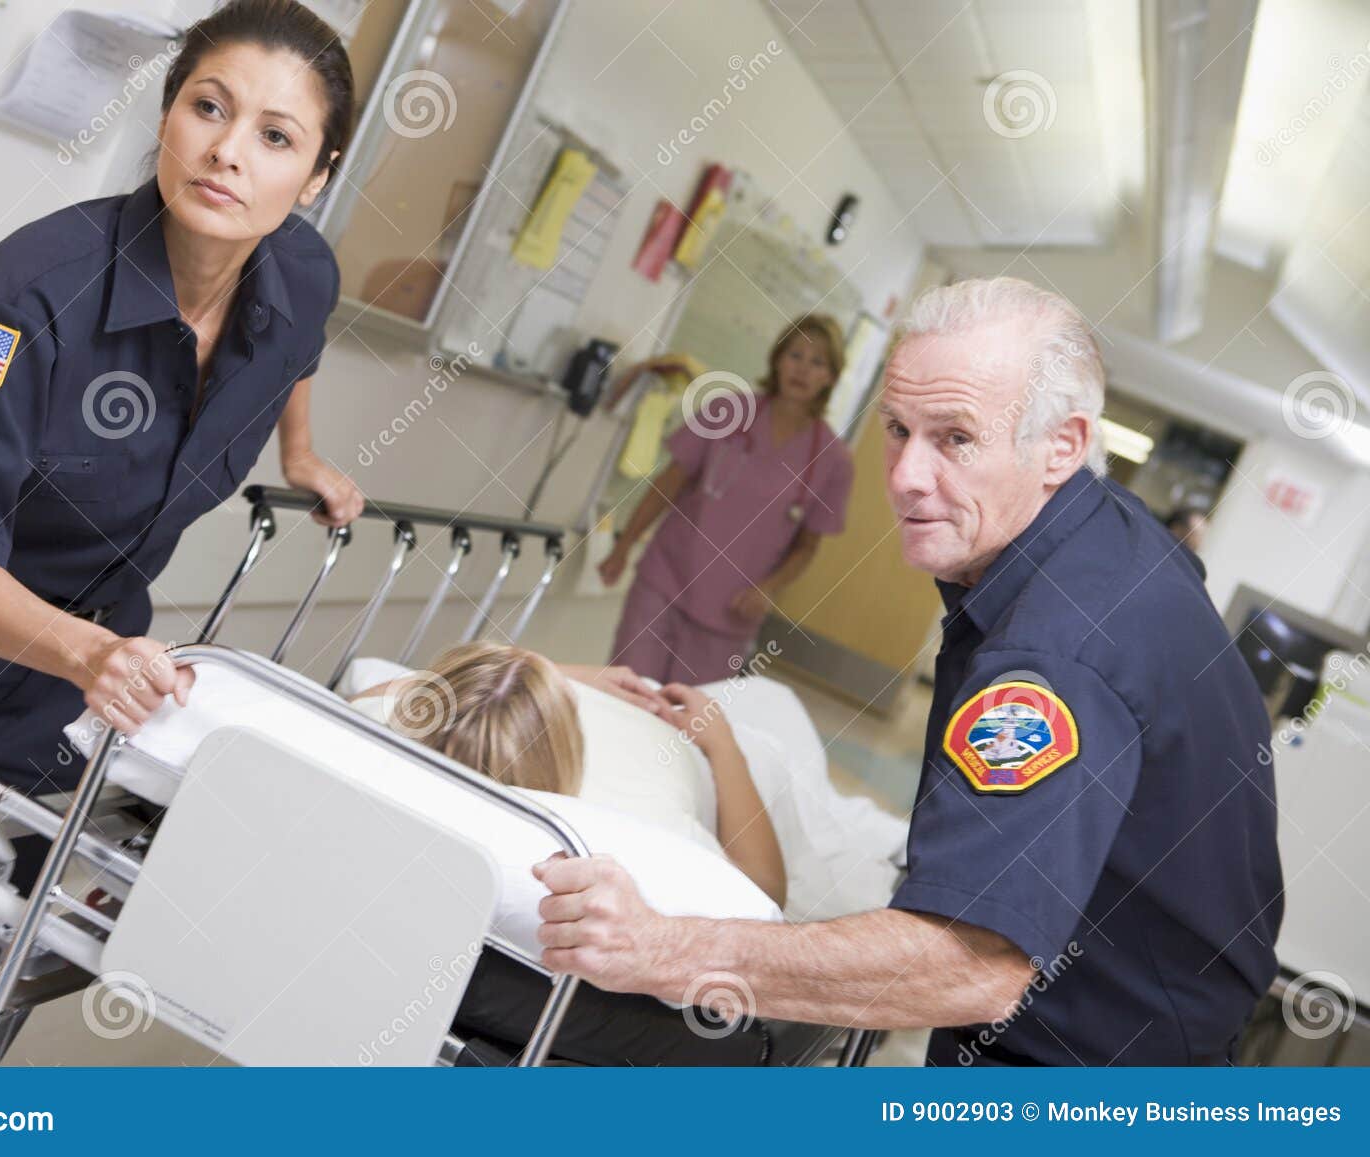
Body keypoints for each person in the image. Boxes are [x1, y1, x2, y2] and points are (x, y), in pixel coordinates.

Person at [0, 0, 364, 1066]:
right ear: (169, 113)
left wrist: (303, 458)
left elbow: (297, 352)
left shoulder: (298, 272)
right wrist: (92, 654)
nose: (229, 151)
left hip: (48, 687)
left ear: (315, 176)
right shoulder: (23, 299)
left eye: (275, 136)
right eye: (207, 107)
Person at [532, 277, 1283, 1066]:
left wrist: (662, 950)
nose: (904, 475)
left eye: (955, 438)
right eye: (898, 428)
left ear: (1060, 445)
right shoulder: (1108, 534)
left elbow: (970, 963)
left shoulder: (1055, 656)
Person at [365, 642, 786, 906]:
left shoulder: (370, 722)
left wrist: (550, 677)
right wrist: (725, 747)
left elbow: (387, 690)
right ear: (567, 749)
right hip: (704, 742)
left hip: (630, 707)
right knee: (774, 703)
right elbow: (765, 892)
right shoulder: (642, 825)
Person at [597, 316, 855, 684]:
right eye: (795, 355)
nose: (803, 370)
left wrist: (768, 588)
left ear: (831, 377)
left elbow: (807, 546)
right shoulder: (727, 410)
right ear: (778, 359)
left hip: (732, 611)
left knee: (685, 722)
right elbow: (668, 483)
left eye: (818, 363)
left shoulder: (834, 461)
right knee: (626, 692)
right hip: (665, 579)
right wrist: (622, 546)